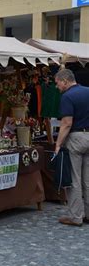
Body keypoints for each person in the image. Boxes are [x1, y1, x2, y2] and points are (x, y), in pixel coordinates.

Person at [54, 69, 89, 227]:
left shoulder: (67, 96)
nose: (57, 86)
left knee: (74, 179)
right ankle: (88, 214)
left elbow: (67, 122)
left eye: (57, 83)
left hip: (76, 138)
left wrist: (58, 143)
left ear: (65, 81)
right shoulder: (88, 91)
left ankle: (76, 216)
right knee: (87, 180)